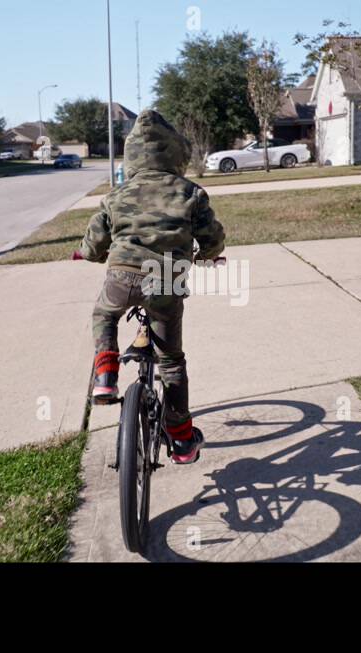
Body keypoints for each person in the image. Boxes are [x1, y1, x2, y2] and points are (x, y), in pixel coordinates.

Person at [72, 110, 225, 464]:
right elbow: (212, 236)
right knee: (171, 360)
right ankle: (183, 439)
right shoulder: (190, 192)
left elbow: (95, 243)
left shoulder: (116, 195)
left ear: (132, 157)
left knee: (104, 315)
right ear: (175, 154)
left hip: (122, 277)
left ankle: (106, 373)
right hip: (165, 282)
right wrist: (211, 254)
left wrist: (86, 254)